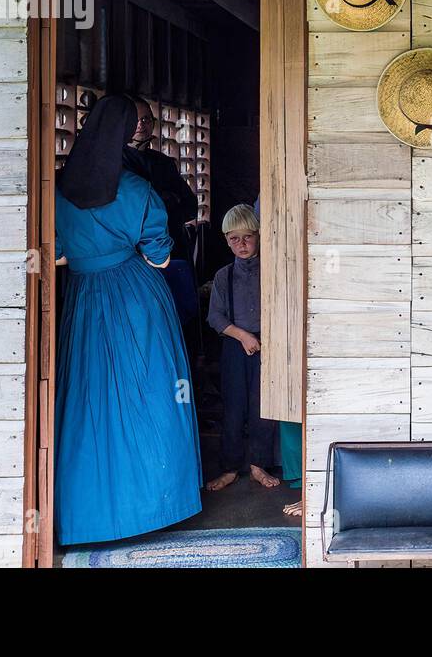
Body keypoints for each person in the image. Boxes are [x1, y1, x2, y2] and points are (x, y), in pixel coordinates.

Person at [53, 94, 202, 545]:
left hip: (82, 297)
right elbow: (159, 256)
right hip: (137, 299)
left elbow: (57, 253)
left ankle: (89, 513)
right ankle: (156, 503)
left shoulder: (56, 188)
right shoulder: (137, 190)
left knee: (88, 395)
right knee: (155, 393)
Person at [207, 204, 303, 517]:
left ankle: (259, 465)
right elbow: (215, 317)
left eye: (248, 237)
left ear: (259, 236)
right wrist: (243, 336)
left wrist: (265, 338)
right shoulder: (224, 276)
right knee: (234, 407)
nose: (242, 244)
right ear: (226, 240)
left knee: (263, 407)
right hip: (237, 346)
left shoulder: (272, 272)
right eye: (234, 239)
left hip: (268, 344)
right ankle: (231, 467)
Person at [124, 96, 199, 324]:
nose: (141, 125)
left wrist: (164, 202)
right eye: (135, 119)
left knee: (176, 316)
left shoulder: (163, 162)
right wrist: (165, 200)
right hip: (133, 255)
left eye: (146, 119)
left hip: (171, 248)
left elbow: (190, 206)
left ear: (154, 123)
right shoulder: (116, 162)